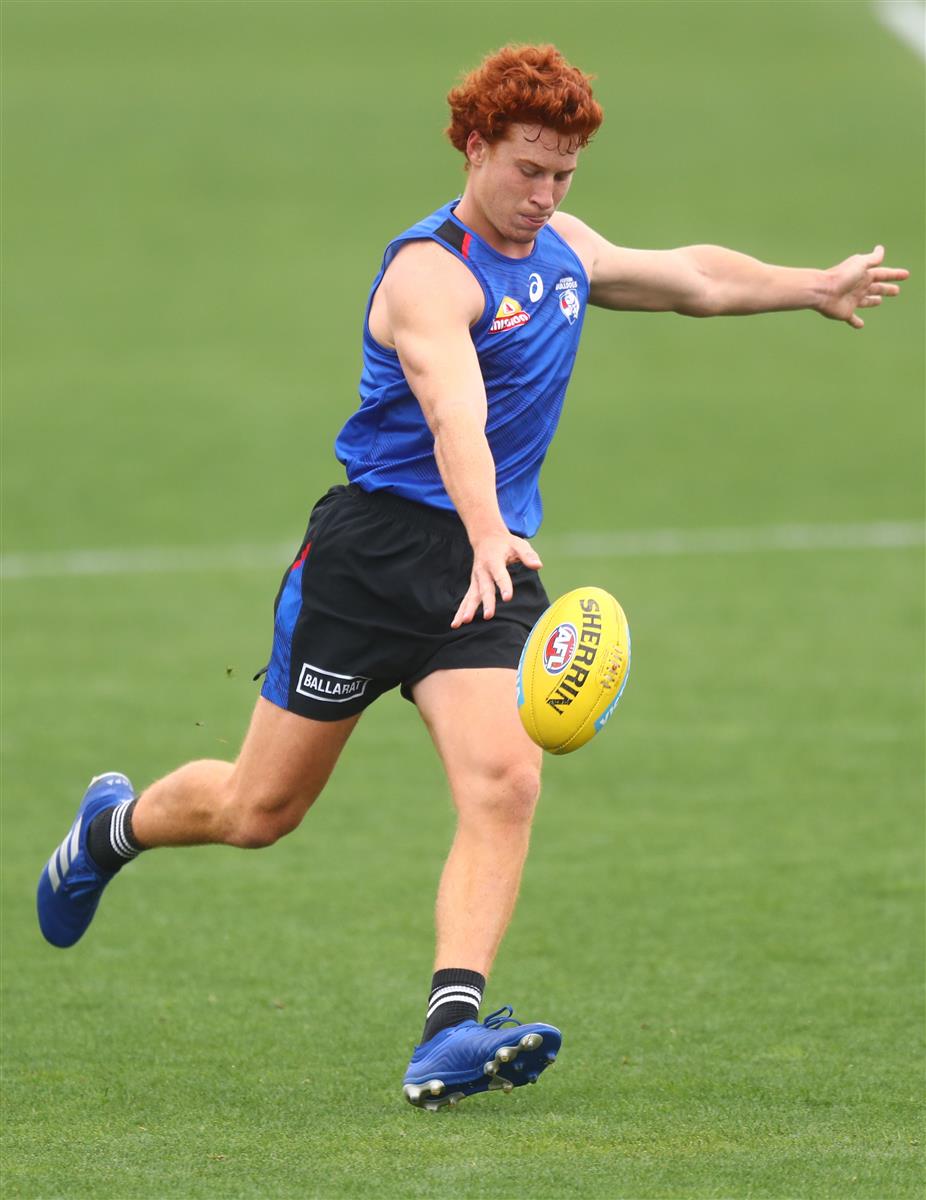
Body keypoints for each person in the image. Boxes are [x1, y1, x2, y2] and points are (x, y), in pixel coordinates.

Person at [37, 44, 908, 1111]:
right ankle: (109, 828)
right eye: (526, 170)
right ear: (473, 147)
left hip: (487, 569)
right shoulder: (425, 273)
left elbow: (688, 276)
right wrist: (488, 531)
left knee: (505, 780)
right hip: (372, 561)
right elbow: (455, 412)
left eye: (563, 176)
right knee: (258, 810)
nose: (544, 196)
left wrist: (806, 286)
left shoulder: (562, 248)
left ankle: (448, 1028)